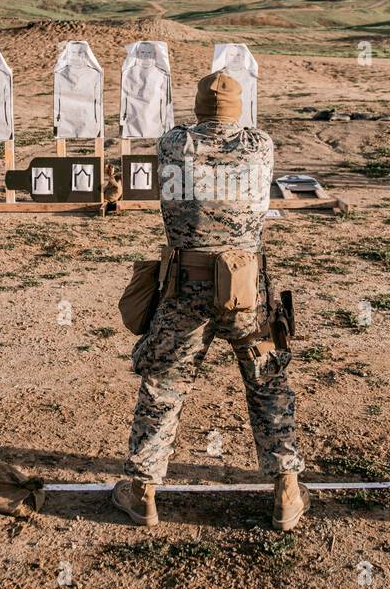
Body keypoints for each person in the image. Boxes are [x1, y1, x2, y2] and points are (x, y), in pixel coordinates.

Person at [113, 72, 307, 530]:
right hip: (246, 289)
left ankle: (143, 492)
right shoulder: (260, 146)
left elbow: (180, 136)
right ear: (238, 110)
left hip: (185, 286)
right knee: (267, 382)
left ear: (198, 107)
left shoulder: (175, 145)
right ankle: (286, 489)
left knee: (163, 385)